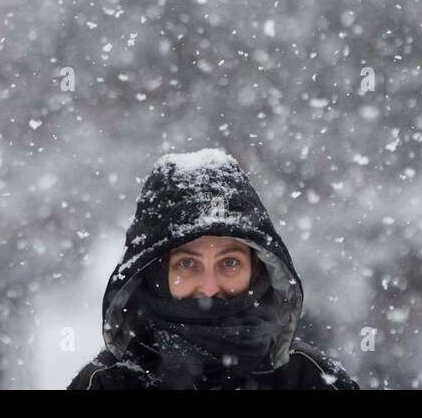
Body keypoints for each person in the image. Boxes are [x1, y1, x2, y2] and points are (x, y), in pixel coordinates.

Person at [68, 148, 359, 389]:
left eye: (229, 263)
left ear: (257, 269)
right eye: (187, 264)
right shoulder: (104, 384)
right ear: (156, 273)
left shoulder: (311, 379)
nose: (209, 286)